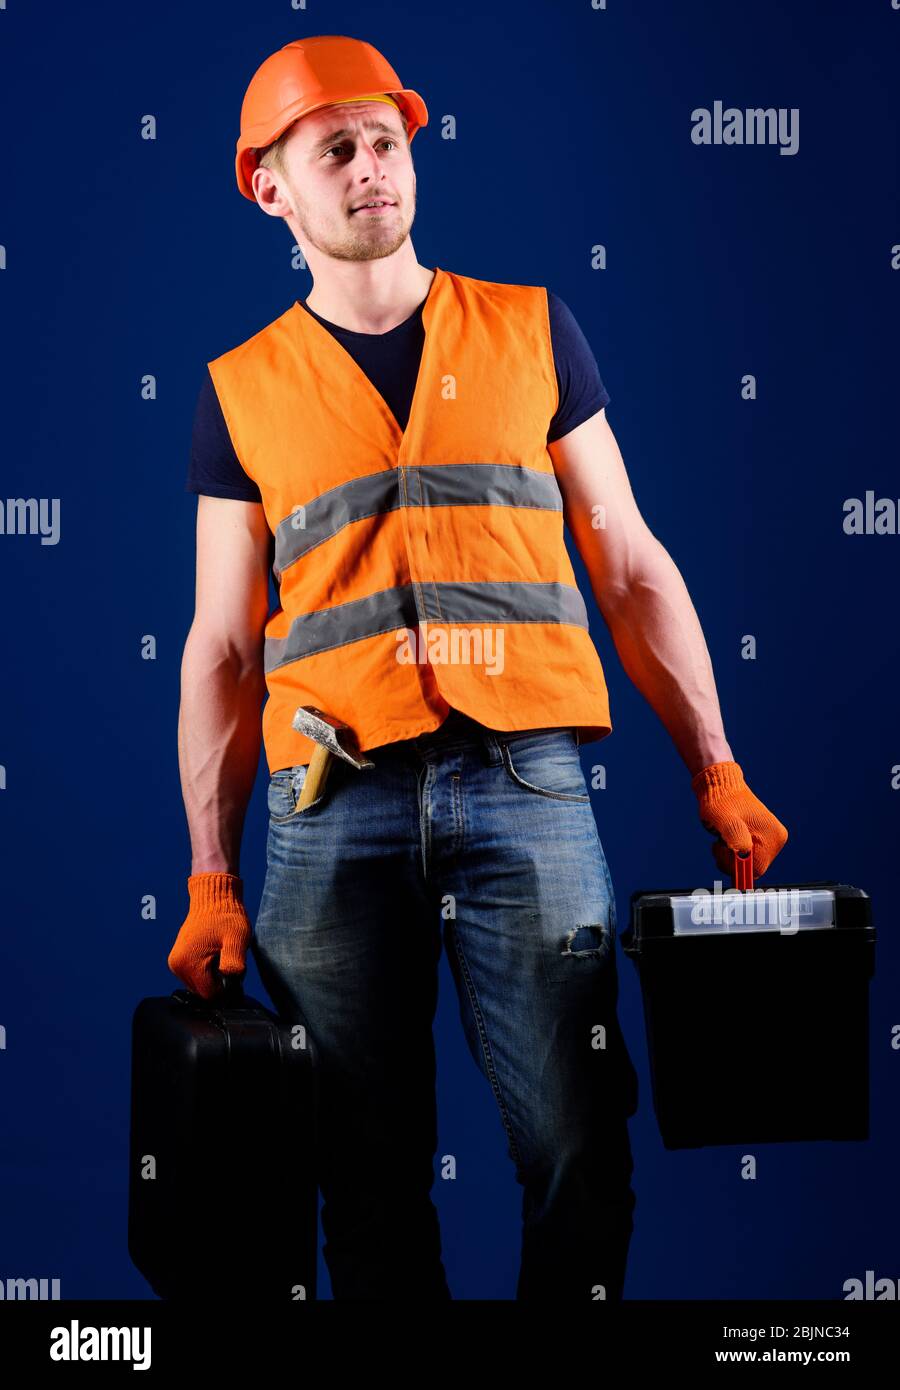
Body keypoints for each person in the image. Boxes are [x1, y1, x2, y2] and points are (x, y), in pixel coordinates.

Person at [168, 35, 789, 1301]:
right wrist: (210, 872)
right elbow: (225, 649)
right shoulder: (240, 391)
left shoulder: (528, 330)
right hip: (326, 813)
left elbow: (632, 570)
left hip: (528, 786)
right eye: (332, 148)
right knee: (365, 1172)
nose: (370, 167)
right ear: (270, 188)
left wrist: (716, 769)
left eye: (387, 140)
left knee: (577, 1143)